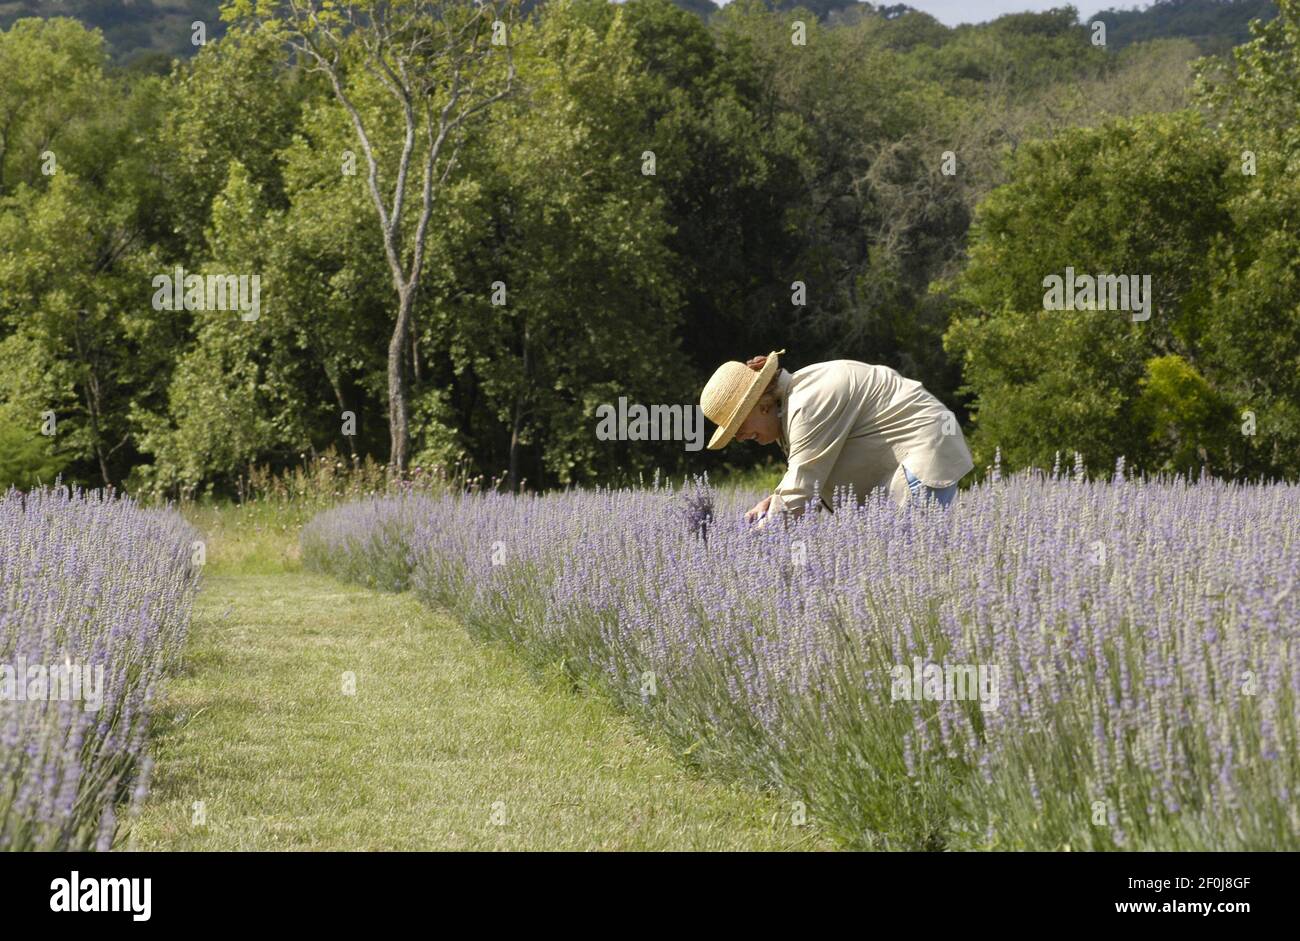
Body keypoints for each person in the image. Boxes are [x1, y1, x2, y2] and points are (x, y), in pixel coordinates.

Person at [699, 350, 973, 525]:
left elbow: (803, 491)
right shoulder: (793, 401)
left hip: (922, 454)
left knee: (911, 561)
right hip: (916, 453)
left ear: (762, 405)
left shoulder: (806, 405)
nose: (740, 437)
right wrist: (774, 501)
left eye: (738, 425)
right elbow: (808, 473)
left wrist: (750, 541)